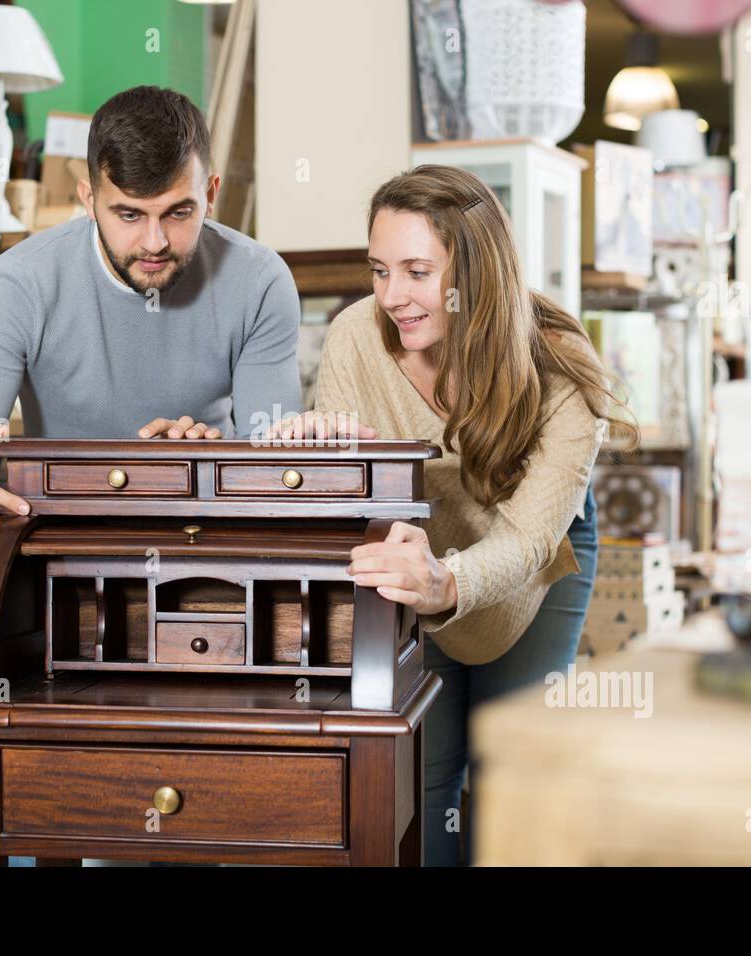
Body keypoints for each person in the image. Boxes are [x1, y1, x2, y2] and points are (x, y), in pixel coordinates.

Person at [276, 164, 637, 866]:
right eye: (380, 271)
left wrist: (449, 583)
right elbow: (348, 478)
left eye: (416, 271)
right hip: (418, 544)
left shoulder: (561, 370)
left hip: (537, 553)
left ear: (474, 272)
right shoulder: (356, 334)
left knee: (509, 773)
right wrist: (321, 456)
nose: (392, 297)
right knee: (425, 773)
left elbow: (530, 539)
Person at [0, 85, 302, 542]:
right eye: (129, 215)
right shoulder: (15, 286)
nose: (155, 242)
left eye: (178, 212)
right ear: (88, 198)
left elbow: (280, 468)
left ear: (210, 192)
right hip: (61, 545)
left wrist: (212, 461)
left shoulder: (260, 281)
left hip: (210, 535)